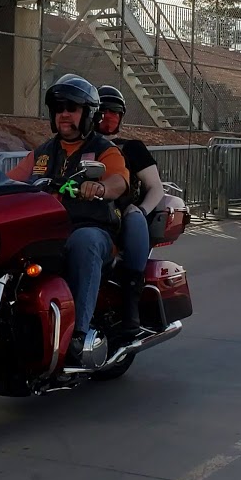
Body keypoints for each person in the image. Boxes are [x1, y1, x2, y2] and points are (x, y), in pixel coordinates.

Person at [6, 74, 130, 363]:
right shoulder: (43, 154)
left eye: (72, 108)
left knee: (83, 242)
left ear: (87, 114)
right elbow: (9, 181)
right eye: (59, 107)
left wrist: (100, 187)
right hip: (49, 231)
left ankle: (78, 335)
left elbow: (118, 181)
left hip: (92, 228)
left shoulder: (104, 150)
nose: (64, 114)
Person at [95, 85, 165, 339]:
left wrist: (141, 208)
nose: (109, 116)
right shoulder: (82, 145)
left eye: (115, 112)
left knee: (134, 217)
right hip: (88, 210)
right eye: (104, 110)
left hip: (122, 212)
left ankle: (131, 302)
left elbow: (155, 187)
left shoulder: (132, 147)